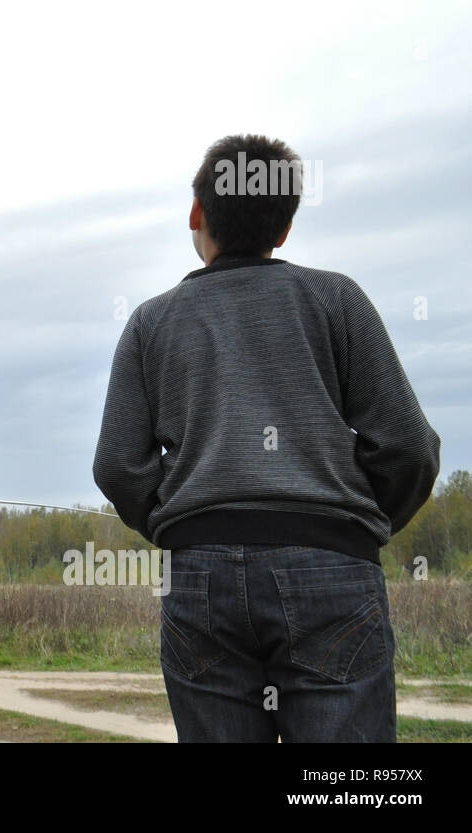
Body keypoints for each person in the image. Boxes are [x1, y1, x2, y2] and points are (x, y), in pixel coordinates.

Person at [93, 134, 441, 742]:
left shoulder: (151, 322)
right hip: (331, 570)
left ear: (197, 213)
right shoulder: (336, 299)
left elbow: (120, 464)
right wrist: (351, 523)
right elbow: (410, 447)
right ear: (284, 227)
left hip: (199, 575)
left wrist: (178, 521)